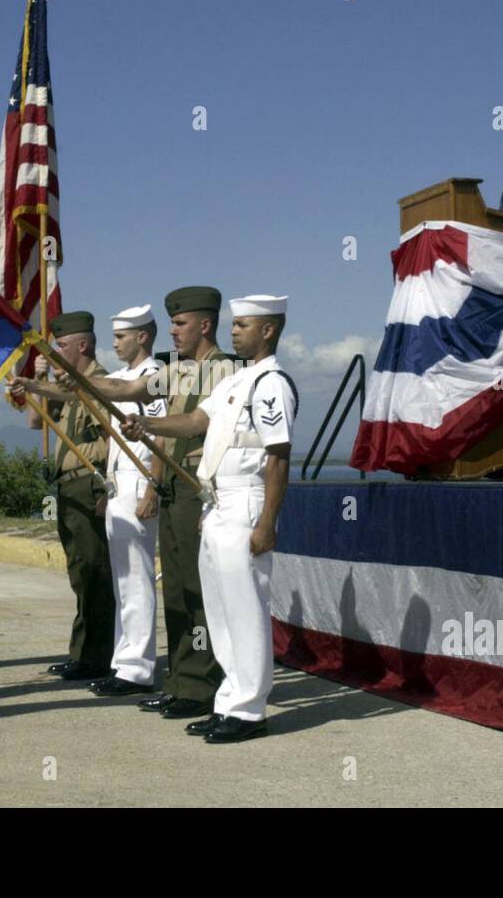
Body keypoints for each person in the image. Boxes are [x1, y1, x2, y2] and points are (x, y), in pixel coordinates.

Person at [124, 295, 296, 743]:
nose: (235, 331)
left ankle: (250, 711)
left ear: (269, 330)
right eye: (234, 325)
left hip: (246, 505)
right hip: (217, 506)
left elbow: (278, 458)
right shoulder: (235, 382)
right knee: (219, 614)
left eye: (245, 325)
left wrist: (267, 523)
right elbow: (195, 422)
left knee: (245, 612)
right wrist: (148, 427)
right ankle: (229, 701)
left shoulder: (271, 384)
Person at [67, 286, 238, 720]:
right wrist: (79, 380)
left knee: (198, 594)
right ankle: (182, 680)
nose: (173, 331)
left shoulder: (226, 371)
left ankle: (202, 683)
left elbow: (198, 423)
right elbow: (127, 389)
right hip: (176, 489)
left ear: (203, 324)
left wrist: (148, 426)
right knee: (179, 592)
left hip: (199, 488)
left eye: (180, 324)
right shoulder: (177, 370)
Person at [12, 312, 116, 682]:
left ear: (83, 345)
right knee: (80, 573)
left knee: (95, 572)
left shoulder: (101, 384)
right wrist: (39, 379)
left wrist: (100, 481)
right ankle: (84, 652)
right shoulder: (68, 386)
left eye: (62, 346)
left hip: (89, 483)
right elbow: (36, 422)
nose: (57, 352)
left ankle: (98, 657)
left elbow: (111, 441)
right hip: (68, 484)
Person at [87, 305, 167, 697]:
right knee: (123, 581)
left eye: (121, 336)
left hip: (140, 483)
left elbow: (160, 439)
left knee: (137, 578)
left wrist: (153, 489)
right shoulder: (118, 378)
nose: (115, 343)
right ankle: (124, 662)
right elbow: (110, 438)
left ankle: (137, 669)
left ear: (143, 337)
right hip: (120, 484)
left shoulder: (152, 378)